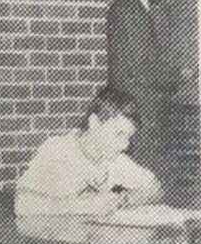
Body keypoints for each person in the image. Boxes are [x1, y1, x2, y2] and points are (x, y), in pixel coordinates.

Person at [15, 86, 162, 216]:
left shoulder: (114, 158)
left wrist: (124, 200)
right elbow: (21, 204)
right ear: (94, 123)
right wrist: (85, 206)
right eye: (119, 134)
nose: (125, 145)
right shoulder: (57, 150)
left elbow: (155, 188)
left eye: (128, 137)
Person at [106, 0, 184, 187]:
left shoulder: (128, 8)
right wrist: (178, 75)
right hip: (141, 111)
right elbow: (142, 68)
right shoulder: (132, 10)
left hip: (135, 109)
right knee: (144, 179)